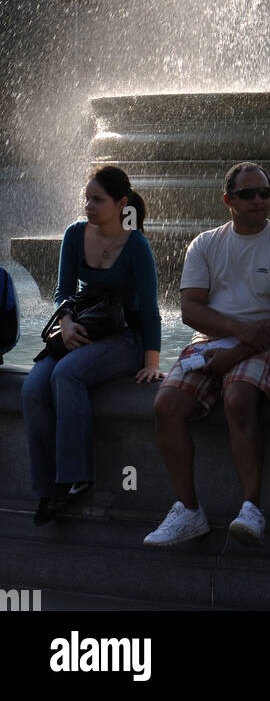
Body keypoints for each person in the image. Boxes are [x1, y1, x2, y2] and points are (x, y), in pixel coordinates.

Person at [144, 163, 270, 547]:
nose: (258, 201)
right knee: (166, 404)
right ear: (227, 200)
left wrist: (235, 354)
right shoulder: (204, 244)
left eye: (265, 193)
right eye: (248, 194)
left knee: (238, 398)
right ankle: (188, 510)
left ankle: (252, 508)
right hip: (213, 339)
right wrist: (234, 333)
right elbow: (190, 310)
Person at [21, 165, 162, 526]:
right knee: (33, 387)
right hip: (80, 328)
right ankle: (46, 488)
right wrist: (66, 322)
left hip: (124, 338)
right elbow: (63, 291)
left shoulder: (136, 246)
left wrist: (151, 361)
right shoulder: (74, 234)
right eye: (87, 199)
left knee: (67, 374)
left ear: (121, 204)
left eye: (97, 200)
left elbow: (149, 311)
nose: (89, 206)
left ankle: (75, 476)